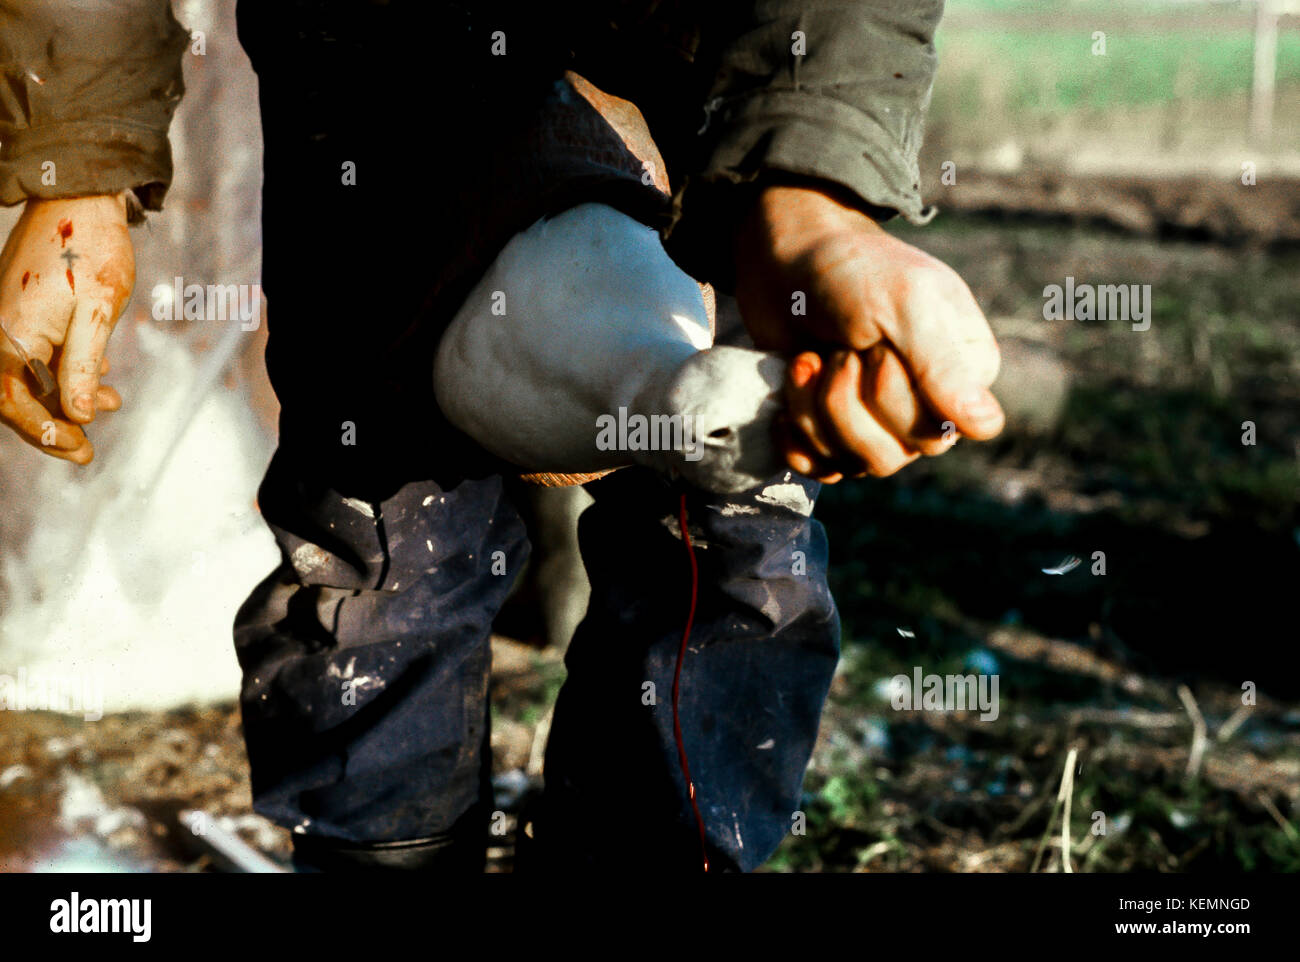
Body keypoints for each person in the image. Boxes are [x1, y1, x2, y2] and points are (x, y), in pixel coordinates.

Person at [0, 1, 1002, 872]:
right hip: (375, 59)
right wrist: (76, 159)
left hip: (711, 73)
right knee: (380, 546)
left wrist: (815, 187)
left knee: (734, 536)